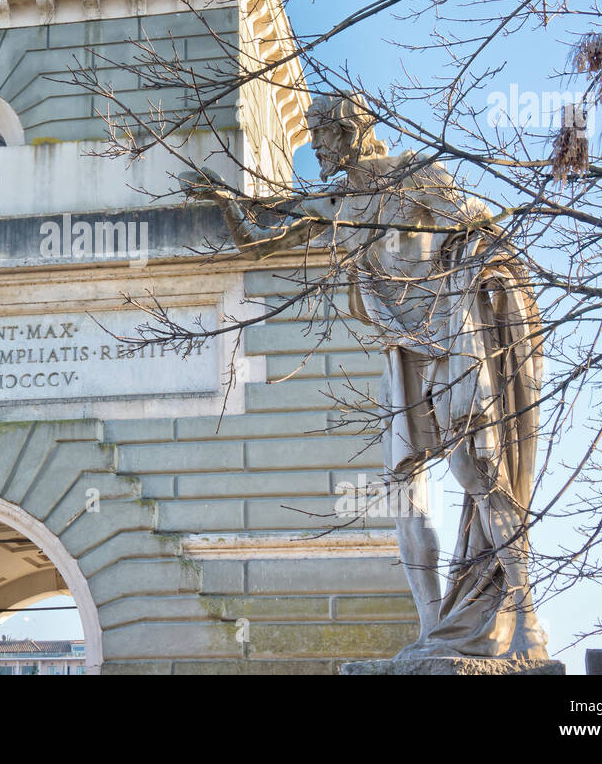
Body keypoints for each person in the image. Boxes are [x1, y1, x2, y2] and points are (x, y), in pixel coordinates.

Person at [183, 94, 550, 660]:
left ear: (350, 132)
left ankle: (526, 621)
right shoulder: (335, 201)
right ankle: (433, 630)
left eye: (321, 136)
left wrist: (488, 290)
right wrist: (226, 200)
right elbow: (260, 235)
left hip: (451, 333)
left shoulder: (413, 174)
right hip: (402, 350)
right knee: (402, 490)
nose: (316, 148)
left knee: (477, 469)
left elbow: (475, 230)